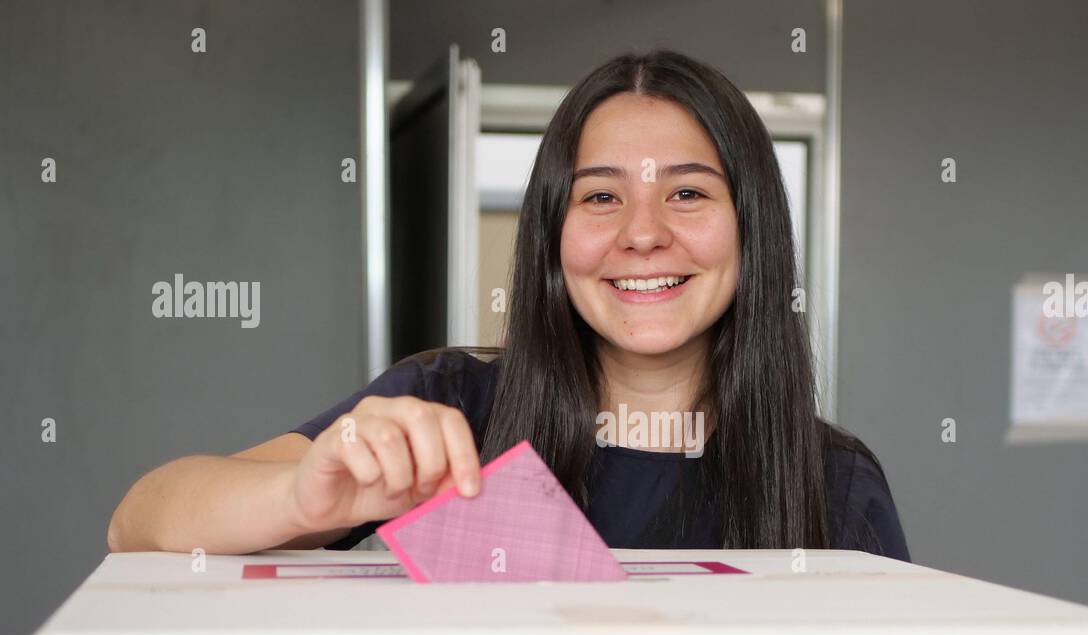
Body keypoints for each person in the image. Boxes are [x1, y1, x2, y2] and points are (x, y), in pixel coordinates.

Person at [108, 49, 910, 561]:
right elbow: (140, 522)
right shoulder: (450, 412)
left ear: (752, 228)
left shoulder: (833, 484)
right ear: (551, 236)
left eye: (688, 193)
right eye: (600, 197)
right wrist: (295, 501)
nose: (643, 234)